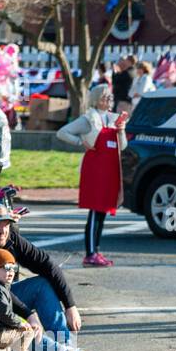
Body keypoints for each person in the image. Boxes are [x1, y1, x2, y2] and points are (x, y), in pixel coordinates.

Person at [0, 202, 97, 351]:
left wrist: (70, 305)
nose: (2, 230)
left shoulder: (9, 238)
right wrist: (28, 314)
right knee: (18, 321)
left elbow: (47, 265)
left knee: (41, 286)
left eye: (6, 224)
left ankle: (67, 347)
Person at [55, 85, 128, 267]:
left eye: (110, 97)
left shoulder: (113, 119)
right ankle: (90, 254)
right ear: (96, 100)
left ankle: (96, 250)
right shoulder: (89, 119)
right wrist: (80, 141)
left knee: (103, 211)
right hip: (95, 170)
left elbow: (123, 146)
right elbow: (62, 132)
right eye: (105, 97)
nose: (109, 100)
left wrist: (121, 131)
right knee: (95, 211)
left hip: (110, 170)